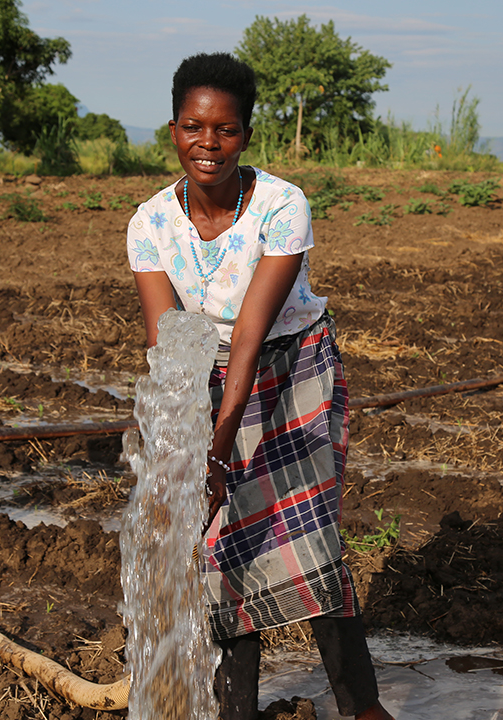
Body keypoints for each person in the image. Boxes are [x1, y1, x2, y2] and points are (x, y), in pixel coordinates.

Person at [126, 52, 395, 720]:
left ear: (246, 134)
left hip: (291, 368)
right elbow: (172, 348)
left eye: (225, 130)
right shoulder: (150, 225)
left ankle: (364, 710)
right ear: (173, 130)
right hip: (209, 376)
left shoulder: (281, 207)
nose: (208, 144)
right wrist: (192, 451)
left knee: (312, 544)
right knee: (220, 550)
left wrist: (220, 449)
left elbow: (249, 340)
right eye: (194, 127)